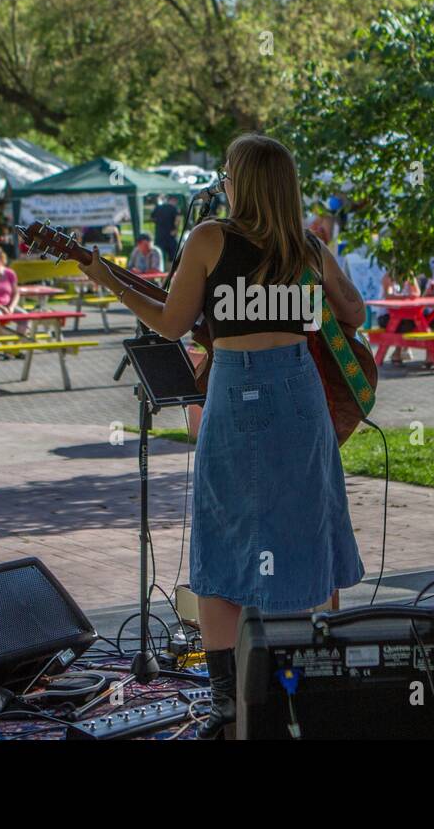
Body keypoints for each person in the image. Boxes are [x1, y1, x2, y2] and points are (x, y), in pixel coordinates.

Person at [76, 133, 366, 739]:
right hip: (299, 397)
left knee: (222, 541)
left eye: (229, 172)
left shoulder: (209, 238)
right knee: (305, 530)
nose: (223, 181)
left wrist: (105, 276)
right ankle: (301, 693)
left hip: (237, 394)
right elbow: (355, 314)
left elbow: (172, 322)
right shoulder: (306, 247)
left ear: (243, 181)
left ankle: (227, 707)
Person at [378, 271, 421, 365]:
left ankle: (399, 352)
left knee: (416, 321)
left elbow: (417, 293)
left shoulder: (409, 275)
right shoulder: (388, 276)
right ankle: (400, 351)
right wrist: (406, 297)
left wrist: (409, 296)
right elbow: (388, 296)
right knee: (402, 322)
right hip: (386, 316)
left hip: (405, 315)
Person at [150, 193, 180, 265]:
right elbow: (178, 220)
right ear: (173, 200)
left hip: (159, 235)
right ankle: (171, 273)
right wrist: (176, 230)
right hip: (170, 235)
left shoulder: (158, 207)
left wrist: (159, 222)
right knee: (173, 257)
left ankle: (160, 271)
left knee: (159, 255)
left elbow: (152, 218)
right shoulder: (174, 208)